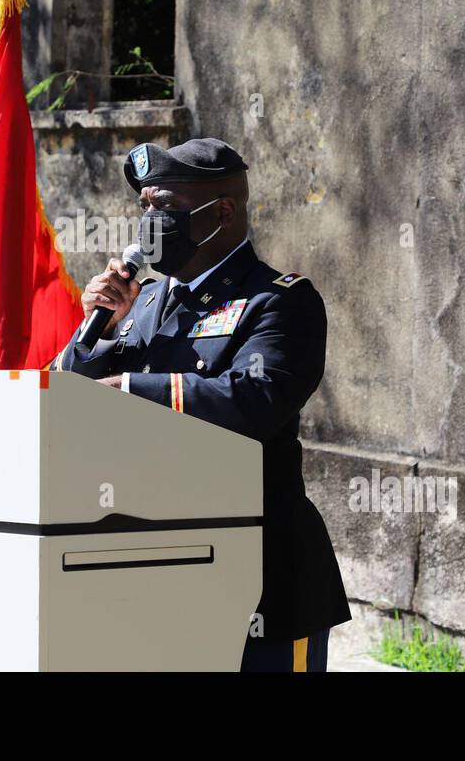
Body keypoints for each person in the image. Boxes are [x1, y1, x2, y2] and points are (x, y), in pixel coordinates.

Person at [53, 137, 351, 671]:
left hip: (265, 580)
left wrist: (129, 392)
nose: (150, 220)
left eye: (165, 207)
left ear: (224, 212)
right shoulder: (142, 301)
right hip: (158, 574)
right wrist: (92, 332)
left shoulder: (280, 301)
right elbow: (70, 403)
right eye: (144, 207)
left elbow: (255, 401)